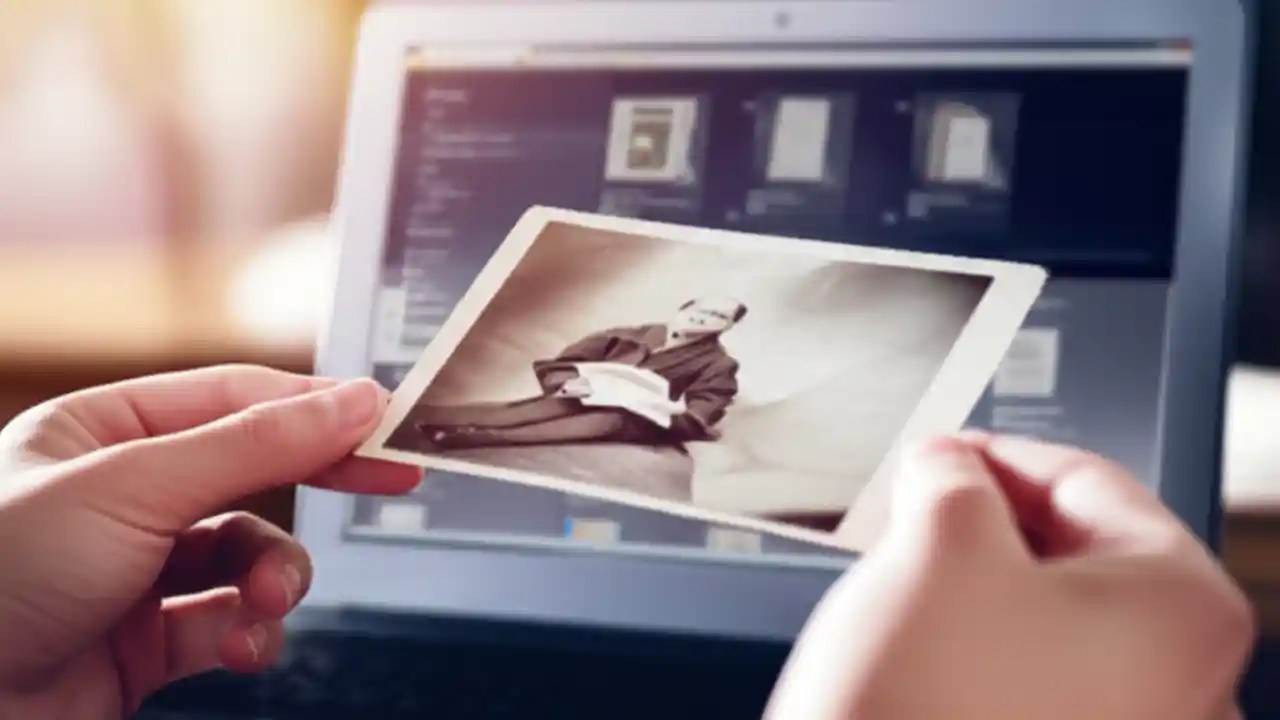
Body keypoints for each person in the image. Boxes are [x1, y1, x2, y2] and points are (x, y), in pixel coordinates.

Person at [0, 365, 1255, 719]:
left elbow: (704, 414)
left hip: (622, 420)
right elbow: (561, 361)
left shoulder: (707, 364)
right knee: (501, 417)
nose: (700, 316)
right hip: (578, 405)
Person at [394, 294, 745, 451]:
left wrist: (673, 414)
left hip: (634, 419)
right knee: (531, 410)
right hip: (585, 395)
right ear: (684, 308)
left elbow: (706, 407)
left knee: (593, 424)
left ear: (726, 327)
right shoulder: (627, 334)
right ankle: (430, 422)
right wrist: (567, 384)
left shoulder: (718, 363)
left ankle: (468, 438)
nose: (703, 317)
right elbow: (564, 362)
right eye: (701, 309)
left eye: (717, 316)